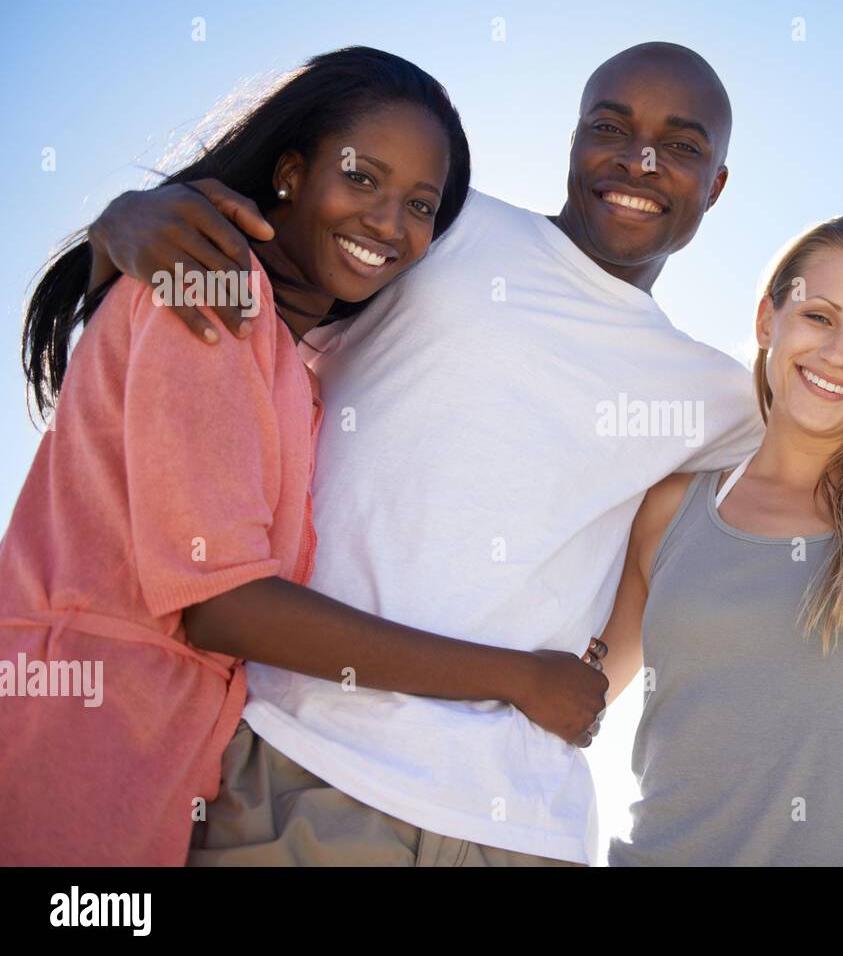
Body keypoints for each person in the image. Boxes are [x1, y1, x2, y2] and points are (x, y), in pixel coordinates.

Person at [83, 42, 766, 867]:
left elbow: (819, 494)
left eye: (684, 147)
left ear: (717, 185)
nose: (640, 158)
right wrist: (122, 221)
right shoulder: (441, 223)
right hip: (307, 762)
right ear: (575, 139)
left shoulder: (722, 398)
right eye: (610, 126)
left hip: (522, 822)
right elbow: (257, 263)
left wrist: (602, 675)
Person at [0, 45, 609, 866]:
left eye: (421, 205)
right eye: (362, 179)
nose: (390, 225)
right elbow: (224, 601)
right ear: (290, 171)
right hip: (80, 730)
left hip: (167, 746)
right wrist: (519, 678)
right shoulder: (214, 288)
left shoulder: (290, 351)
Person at [598, 217, 843, 865]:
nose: (837, 354)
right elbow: (581, 694)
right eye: (819, 317)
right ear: (768, 320)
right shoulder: (670, 509)